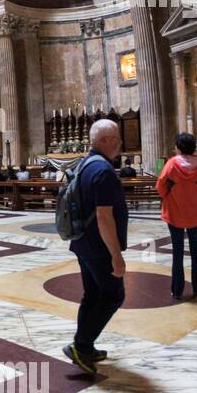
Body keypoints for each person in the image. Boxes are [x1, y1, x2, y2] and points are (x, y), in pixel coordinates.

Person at [62, 120, 128, 376]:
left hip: (82, 242)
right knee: (113, 295)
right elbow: (104, 217)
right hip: (99, 247)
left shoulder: (85, 164)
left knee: (92, 295)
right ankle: (80, 346)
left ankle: (86, 347)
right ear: (103, 141)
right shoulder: (103, 171)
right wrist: (116, 256)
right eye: (116, 138)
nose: (120, 143)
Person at [156, 132, 197, 301]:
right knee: (196, 251)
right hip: (194, 212)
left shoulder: (172, 164)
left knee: (177, 252)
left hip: (174, 212)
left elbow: (160, 185)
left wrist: (169, 195)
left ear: (179, 147)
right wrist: (196, 196)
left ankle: (177, 290)